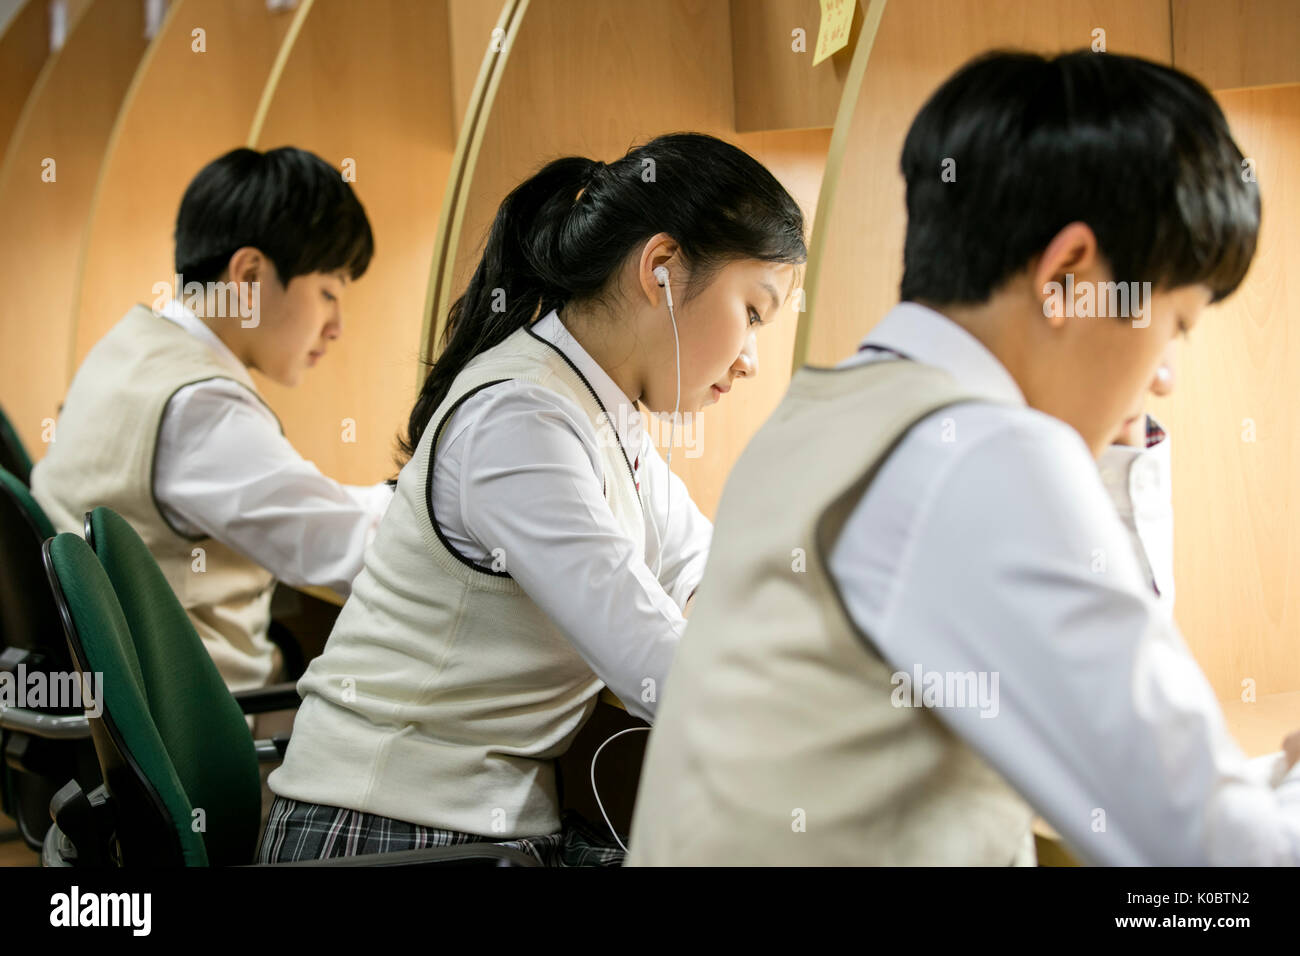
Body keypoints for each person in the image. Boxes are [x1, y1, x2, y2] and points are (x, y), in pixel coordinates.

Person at [627, 51, 1300, 865]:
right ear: (1069, 278)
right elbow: (1223, 870)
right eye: (1176, 326)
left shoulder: (824, 416)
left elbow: (1133, 752)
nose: (1165, 376)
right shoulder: (980, 463)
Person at [259, 133, 807, 866]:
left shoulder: (599, 409)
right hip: (386, 835)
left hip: (466, 832)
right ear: (663, 271)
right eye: (754, 312)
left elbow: (705, 563)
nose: (750, 360)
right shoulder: (521, 420)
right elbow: (660, 670)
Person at [31, 147, 391, 693]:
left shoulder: (131, 346)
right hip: (215, 727)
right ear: (248, 273)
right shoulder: (199, 408)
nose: (337, 326)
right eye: (328, 292)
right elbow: (353, 552)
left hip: (127, 710)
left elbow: (298, 502)